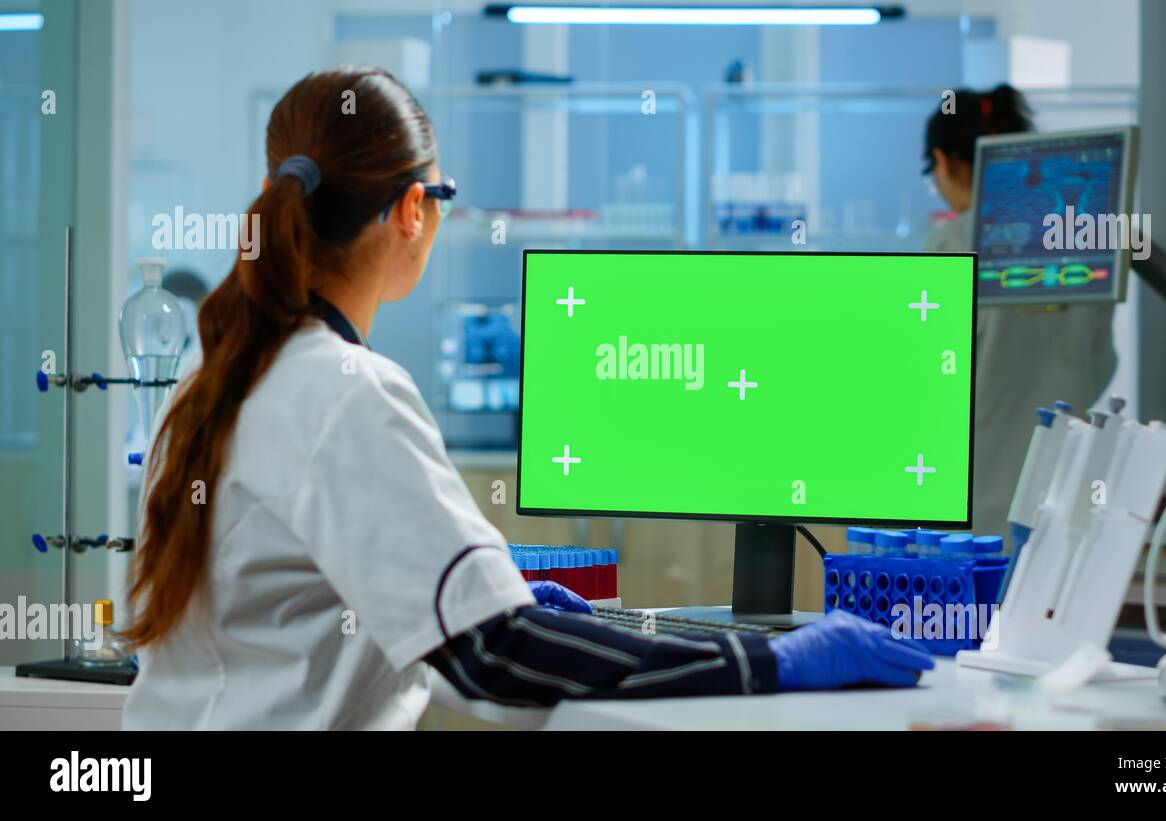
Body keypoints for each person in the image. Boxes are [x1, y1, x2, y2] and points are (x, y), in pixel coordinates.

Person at [121, 67, 932, 730]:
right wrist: (773, 662)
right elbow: (495, 656)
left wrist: (481, 579)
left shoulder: (212, 380)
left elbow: (296, 588)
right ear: (412, 210)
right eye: (442, 196)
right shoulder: (346, 392)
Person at [921, 85, 1117, 537]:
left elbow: (927, 381)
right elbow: (1100, 366)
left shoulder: (950, 245)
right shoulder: (1076, 240)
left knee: (968, 610)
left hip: (973, 511)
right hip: (1062, 506)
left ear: (944, 161)